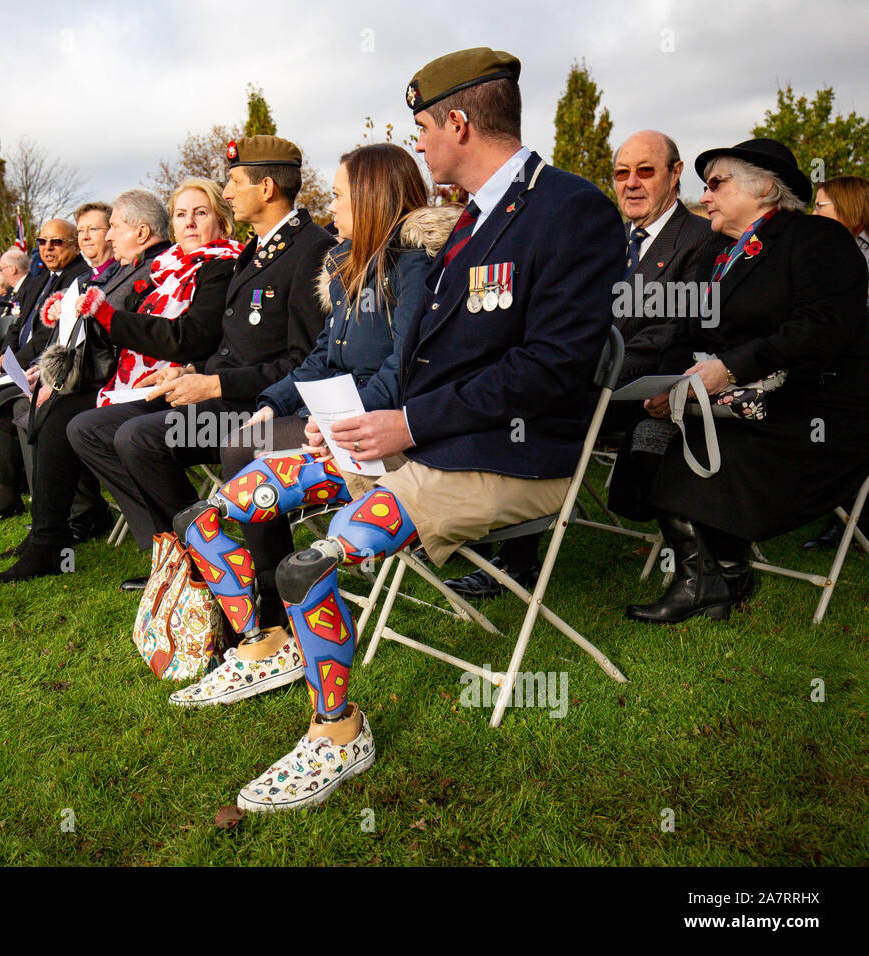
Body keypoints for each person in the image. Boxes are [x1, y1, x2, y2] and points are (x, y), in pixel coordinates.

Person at [174, 49, 623, 812]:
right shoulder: (464, 225)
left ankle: (338, 734)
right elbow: (418, 358)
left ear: (457, 121)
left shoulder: (568, 209)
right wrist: (340, 424)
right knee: (217, 510)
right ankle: (265, 647)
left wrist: (404, 423)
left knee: (306, 565)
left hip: (506, 456)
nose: (417, 141)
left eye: (422, 125)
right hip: (421, 443)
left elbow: (552, 369)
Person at [170, 144, 455, 681]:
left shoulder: (413, 266)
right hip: (340, 418)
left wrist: (333, 418)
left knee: (240, 447)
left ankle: (275, 606)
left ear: (372, 198)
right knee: (248, 435)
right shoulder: (351, 265)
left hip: (385, 430)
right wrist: (274, 401)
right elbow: (324, 357)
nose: (333, 208)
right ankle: (265, 604)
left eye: (343, 196)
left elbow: (406, 368)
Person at [445, 128, 718, 601]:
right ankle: (494, 538)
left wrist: (570, 370)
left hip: (644, 389)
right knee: (510, 392)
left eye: (645, 171)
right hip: (589, 375)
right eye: (621, 173)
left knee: (526, 407)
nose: (631, 183)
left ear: (675, 175)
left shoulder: (698, 239)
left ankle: (512, 558)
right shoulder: (607, 234)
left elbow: (669, 337)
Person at [609, 139, 869, 622]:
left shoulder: (816, 239)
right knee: (649, 437)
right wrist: (668, 385)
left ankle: (701, 583)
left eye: (716, 184)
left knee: (688, 452)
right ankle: (721, 571)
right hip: (733, 402)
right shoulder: (721, 255)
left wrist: (730, 368)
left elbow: (821, 328)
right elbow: (686, 333)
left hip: (812, 411)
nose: (704, 197)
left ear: (766, 188)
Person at [67, 135, 334, 590]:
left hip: (257, 412)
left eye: (233, 182)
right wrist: (188, 372)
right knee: (87, 428)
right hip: (216, 398)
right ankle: (176, 552)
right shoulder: (260, 247)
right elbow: (231, 343)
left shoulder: (311, 250)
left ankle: (206, 560)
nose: (227, 194)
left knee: (138, 437)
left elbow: (306, 361)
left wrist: (214, 386)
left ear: (266, 188)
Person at [0, 184, 243, 582]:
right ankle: (61, 535)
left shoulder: (220, 265)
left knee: (77, 421)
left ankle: (175, 549)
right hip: (144, 378)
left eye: (200, 213)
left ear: (221, 218)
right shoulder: (167, 267)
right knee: (61, 414)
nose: (189, 222)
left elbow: (186, 337)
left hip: (188, 385)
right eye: (181, 214)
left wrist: (100, 316)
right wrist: (75, 317)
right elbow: (135, 325)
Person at [0, 218, 90, 515]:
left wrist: (15, 362)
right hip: (20, 360)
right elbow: (18, 324)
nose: (48, 248)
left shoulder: (80, 277)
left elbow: (47, 336)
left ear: (74, 243)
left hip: (42, 366)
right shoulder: (41, 279)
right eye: (42, 242)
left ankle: (8, 488)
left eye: (57, 242)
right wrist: (4, 352)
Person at [804, 174, 869, 550]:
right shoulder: (815, 252)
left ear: (847, 207)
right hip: (826, 363)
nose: (812, 213)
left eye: (820, 205)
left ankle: (849, 518)